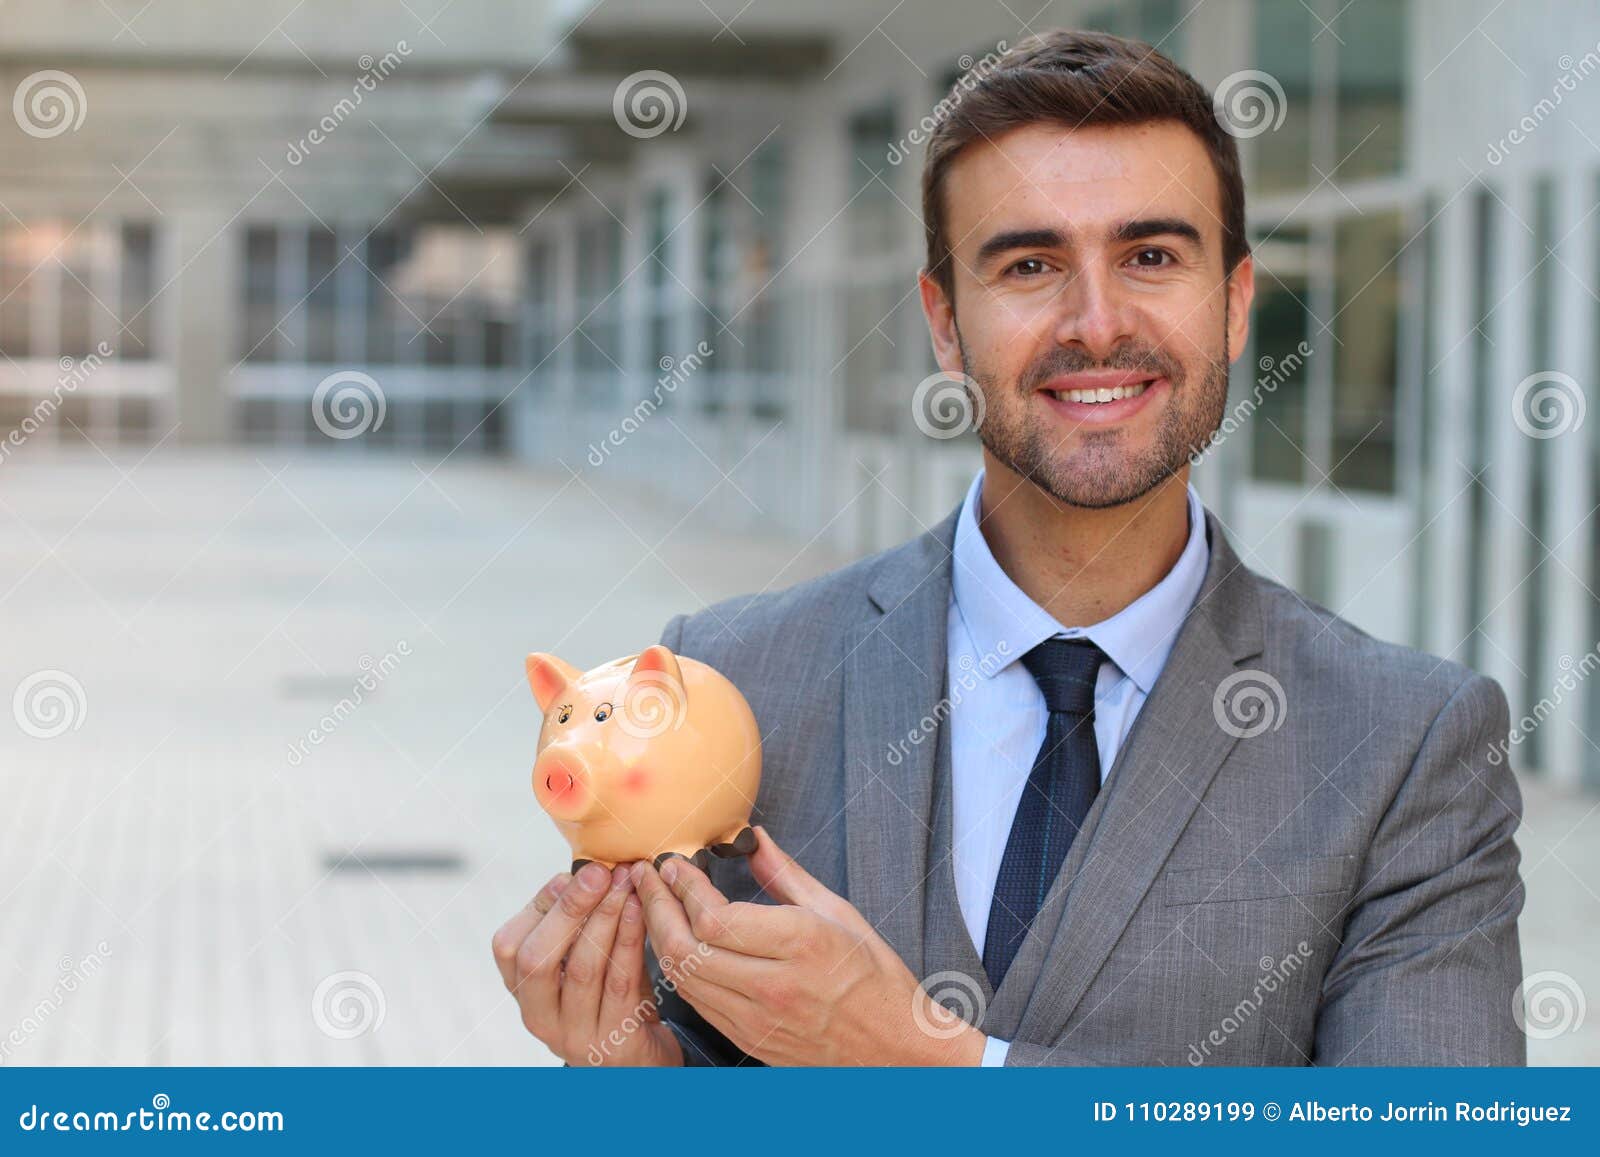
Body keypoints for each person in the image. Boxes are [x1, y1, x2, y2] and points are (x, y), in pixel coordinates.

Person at [493, 28, 1525, 1067]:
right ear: (944, 322)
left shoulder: (1404, 747)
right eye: (1030, 263)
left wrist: (925, 1058)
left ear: (1235, 303)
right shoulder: (736, 686)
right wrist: (638, 1082)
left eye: (1151, 256)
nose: (1094, 321)